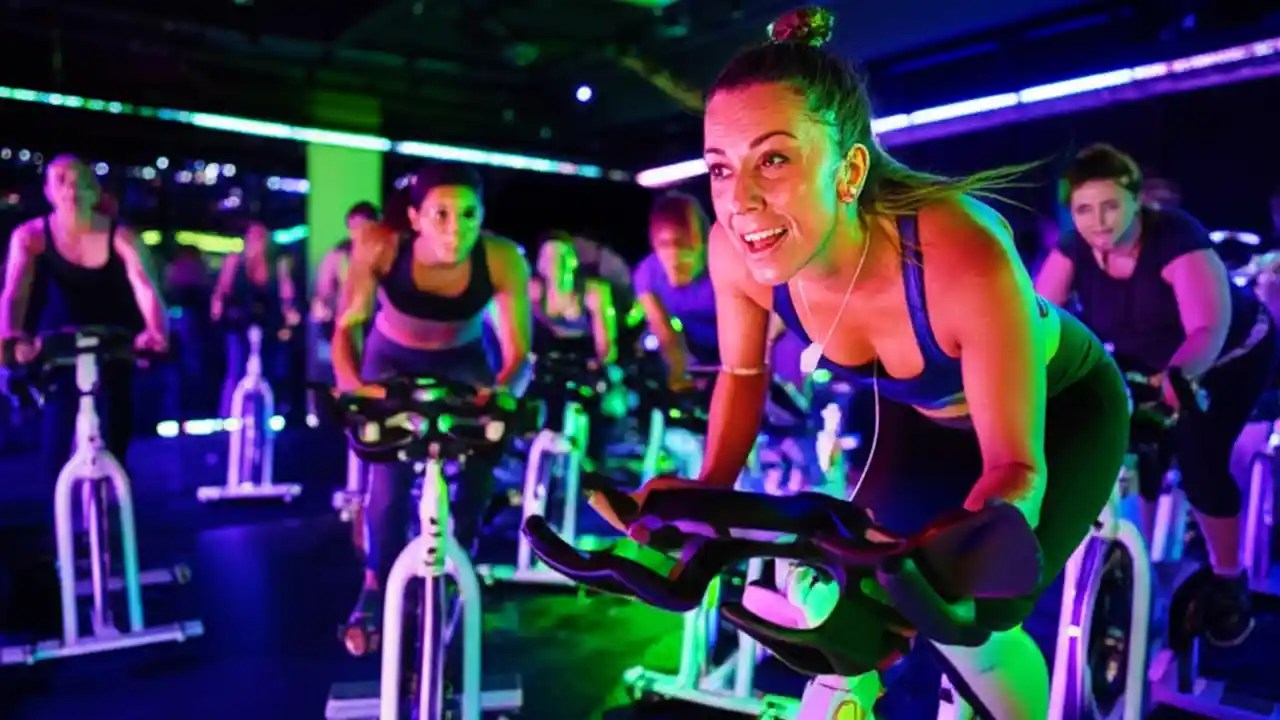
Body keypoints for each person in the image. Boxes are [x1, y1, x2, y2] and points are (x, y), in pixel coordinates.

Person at [616, 8, 1131, 718]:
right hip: (923, 421)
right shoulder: (740, 252)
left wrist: (971, 545)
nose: (739, 201)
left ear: (849, 170)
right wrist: (707, 496)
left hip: (1062, 413)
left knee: (974, 621)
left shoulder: (961, 255)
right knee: (839, 609)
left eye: (773, 159)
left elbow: (1016, 468)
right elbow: (741, 375)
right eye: (720, 167)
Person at [1037, 143, 1278, 647]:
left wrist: (1180, 378)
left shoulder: (1175, 237)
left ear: (1135, 200)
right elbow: (1036, 321)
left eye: (1110, 206)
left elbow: (1207, 328)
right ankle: (1136, 557)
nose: (1098, 221)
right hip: (1146, 358)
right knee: (1117, 435)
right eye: (1084, 209)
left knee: (1197, 450)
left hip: (1230, 353)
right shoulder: (1074, 249)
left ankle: (1230, 582)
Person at [331, 162, 531, 650]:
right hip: (390, 361)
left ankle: (455, 566)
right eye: (440, 214)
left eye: (468, 214)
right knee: (390, 477)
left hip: (463, 364)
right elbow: (346, 327)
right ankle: (375, 584)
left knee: (482, 458)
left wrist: (503, 392)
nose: (455, 228)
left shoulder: (502, 257)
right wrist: (355, 384)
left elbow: (518, 353)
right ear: (416, 217)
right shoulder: (381, 246)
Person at [0, 153, 169, 483]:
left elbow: (145, 286)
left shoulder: (121, 236)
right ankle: (62, 522)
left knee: (117, 432)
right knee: (57, 438)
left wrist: (156, 331)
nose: (70, 190)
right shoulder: (30, 236)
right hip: (57, 345)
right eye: (61, 182)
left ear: (94, 191)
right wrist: (10, 339)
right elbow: (14, 294)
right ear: (49, 192)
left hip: (113, 339)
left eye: (79, 182)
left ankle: (113, 512)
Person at [209, 220, 301, 416]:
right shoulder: (236, 261)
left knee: (268, 368)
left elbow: (286, 294)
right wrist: (217, 308)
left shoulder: (277, 264)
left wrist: (289, 315)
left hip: (268, 323)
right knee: (236, 367)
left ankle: (267, 413)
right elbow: (222, 289)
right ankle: (229, 415)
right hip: (239, 322)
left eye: (261, 236)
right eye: (253, 236)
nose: (257, 241)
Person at [634, 193, 722, 389]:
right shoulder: (647, 274)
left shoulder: (724, 268)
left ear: (702, 244)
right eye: (664, 245)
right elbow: (666, 336)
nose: (674, 257)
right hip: (696, 350)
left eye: (683, 245)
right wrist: (680, 379)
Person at [308, 202, 378, 390]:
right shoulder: (339, 255)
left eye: (366, 226)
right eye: (355, 227)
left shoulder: (385, 252)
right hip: (346, 324)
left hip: (377, 327)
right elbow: (324, 292)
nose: (360, 232)